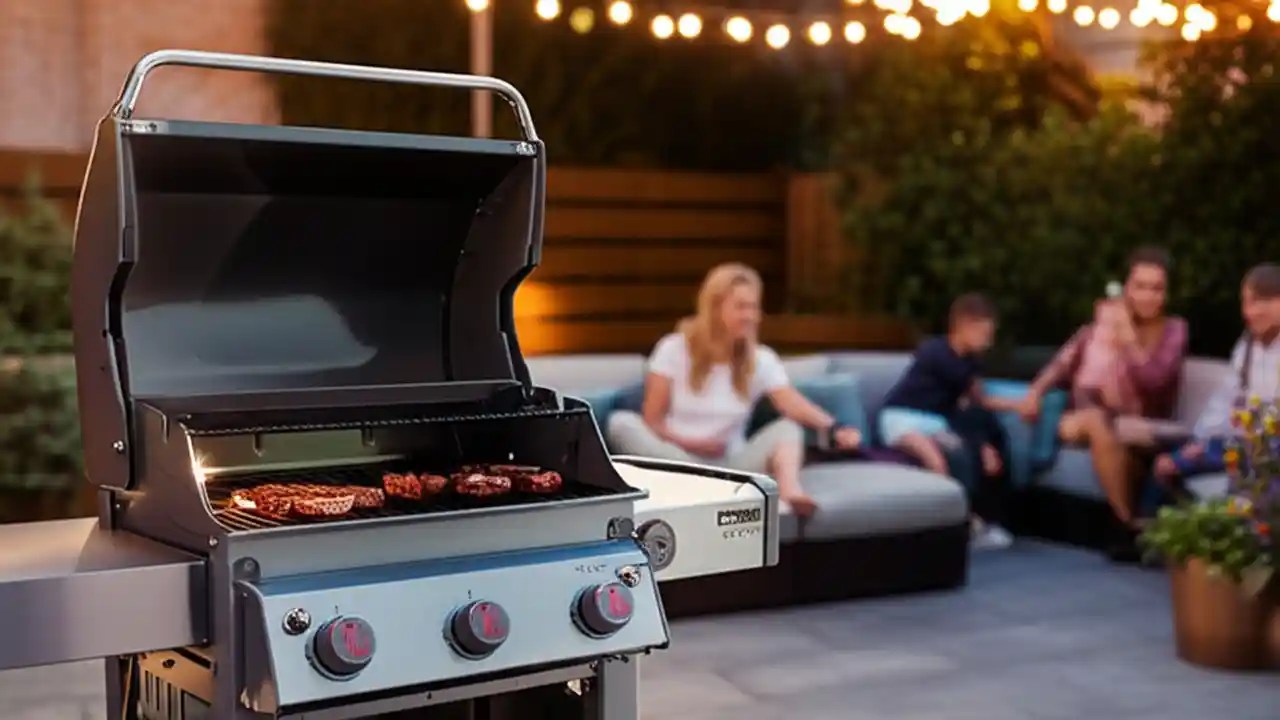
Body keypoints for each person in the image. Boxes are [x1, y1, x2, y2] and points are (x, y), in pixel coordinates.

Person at [606, 263, 861, 517]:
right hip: (677, 458)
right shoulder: (673, 348)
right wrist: (694, 444)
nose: (751, 316)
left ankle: (790, 493)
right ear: (715, 308)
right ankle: (700, 489)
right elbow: (653, 420)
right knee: (621, 423)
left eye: (754, 307)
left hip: (731, 467)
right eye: (741, 307)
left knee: (787, 429)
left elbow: (790, 402)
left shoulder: (760, 359)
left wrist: (834, 427)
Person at [1019, 246, 1189, 561]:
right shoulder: (1100, 326)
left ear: (1167, 294)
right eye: (1140, 286)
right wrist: (1035, 392)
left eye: (1157, 288)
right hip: (1079, 419)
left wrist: (1129, 341)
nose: (1148, 296)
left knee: (1124, 447)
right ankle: (1126, 525)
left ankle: (1136, 524)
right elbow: (1061, 364)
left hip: (1137, 426)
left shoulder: (1174, 331)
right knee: (1098, 421)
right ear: (1127, 288)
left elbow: (1155, 381)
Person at [878, 293, 1020, 550]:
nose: (989, 342)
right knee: (938, 461)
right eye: (984, 334)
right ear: (965, 326)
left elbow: (978, 400)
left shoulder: (971, 361)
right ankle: (949, 528)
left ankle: (971, 522)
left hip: (934, 423)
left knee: (963, 453)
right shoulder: (936, 352)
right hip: (901, 418)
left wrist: (1016, 409)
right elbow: (972, 398)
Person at [1154, 263, 1280, 486]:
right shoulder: (1247, 346)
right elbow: (1226, 399)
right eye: (1247, 302)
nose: (1249, 312)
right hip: (1238, 443)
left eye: (1262, 302)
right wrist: (1201, 442)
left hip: (1266, 447)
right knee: (1165, 465)